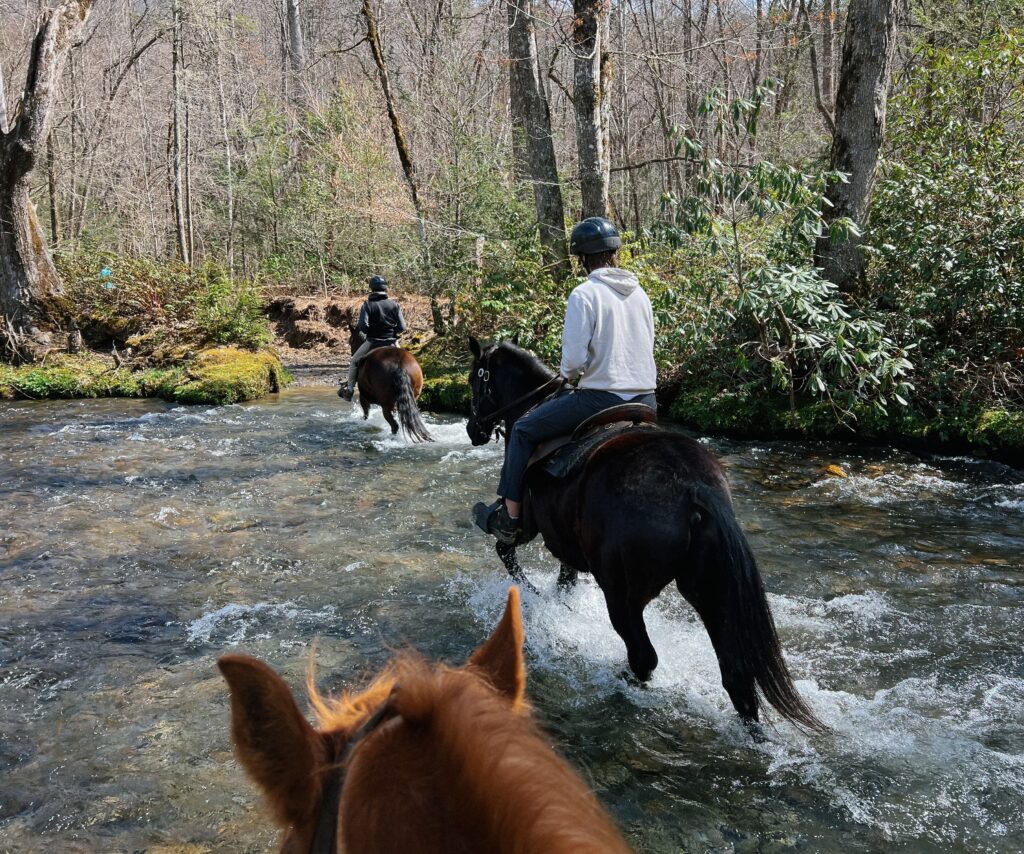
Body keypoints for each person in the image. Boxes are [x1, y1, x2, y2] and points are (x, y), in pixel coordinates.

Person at [474, 217, 657, 543]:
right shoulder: (640, 292)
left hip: (601, 400)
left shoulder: (585, 293)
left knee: (523, 430)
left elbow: (573, 362)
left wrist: (570, 376)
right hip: (646, 401)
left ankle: (510, 517)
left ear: (582, 258)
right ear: (615, 253)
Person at [339, 275, 407, 401]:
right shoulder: (394, 305)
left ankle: (349, 390)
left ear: (372, 288)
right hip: (392, 342)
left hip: (372, 342)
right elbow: (402, 327)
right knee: (405, 363)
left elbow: (363, 326)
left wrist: (373, 332)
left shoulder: (367, 305)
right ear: (385, 288)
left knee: (354, 361)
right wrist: (392, 331)